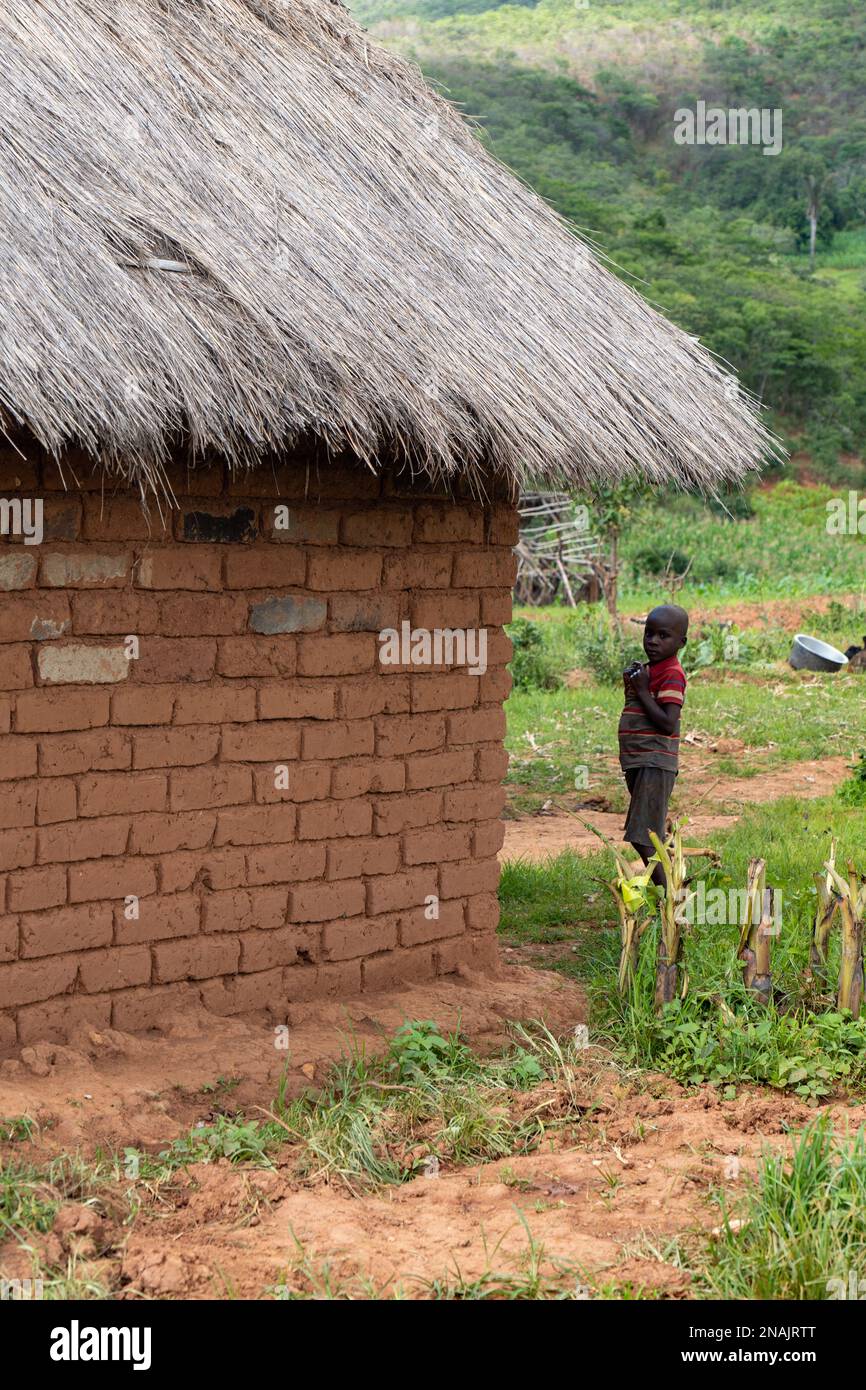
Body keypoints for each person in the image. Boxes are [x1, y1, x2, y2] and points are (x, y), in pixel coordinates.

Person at [618, 604, 688, 887]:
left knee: (643, 835)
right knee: (650, 833)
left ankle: (669, 899)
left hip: (655, 764)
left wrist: (644, 690)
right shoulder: (647, 671)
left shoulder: (672, 673)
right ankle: (672, 891)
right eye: (649, 634)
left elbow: (667, 723)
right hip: (638, 762)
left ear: (680, 643)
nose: (653, 642)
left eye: (663, 636)